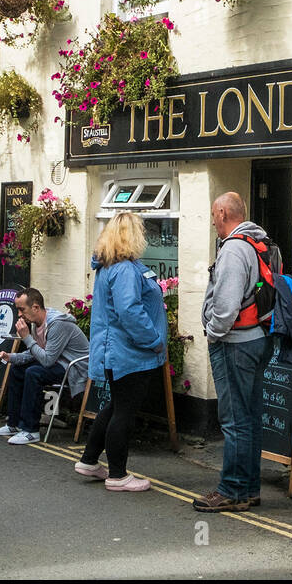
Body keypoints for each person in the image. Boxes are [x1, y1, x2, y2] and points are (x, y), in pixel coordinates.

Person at [73, 211, 167, 492]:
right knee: (124, 411)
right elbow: (129, 312)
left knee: (115, 406)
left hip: (117, 351)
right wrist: (154, 340)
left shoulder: (108, 267)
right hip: (130, 353)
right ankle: (117, 475)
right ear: (132, 236)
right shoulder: (125, 269)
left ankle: (90, 461)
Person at [195, 191, 272, 513]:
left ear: (224, 213)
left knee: (235, 420)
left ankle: (233, 490)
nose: (213, 221)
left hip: (235, 345)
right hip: (257, 340)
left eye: (214, 215)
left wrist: (212, 333)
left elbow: (225, 305)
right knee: (250, 419)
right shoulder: (258, 244)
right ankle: (249, 488)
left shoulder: (234, 250)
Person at [0, 287, 90, 445]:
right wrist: (9, 357)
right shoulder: (37, 323)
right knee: (17, 369)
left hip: (75, 368)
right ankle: (14, 424)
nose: (19, 315)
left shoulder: (57, 325)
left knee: (34, 372)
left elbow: (47, 360)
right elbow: (34, 353)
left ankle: (30, 430)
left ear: (35, 307)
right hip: (58, 361)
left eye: (22, 309)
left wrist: (27, 338)